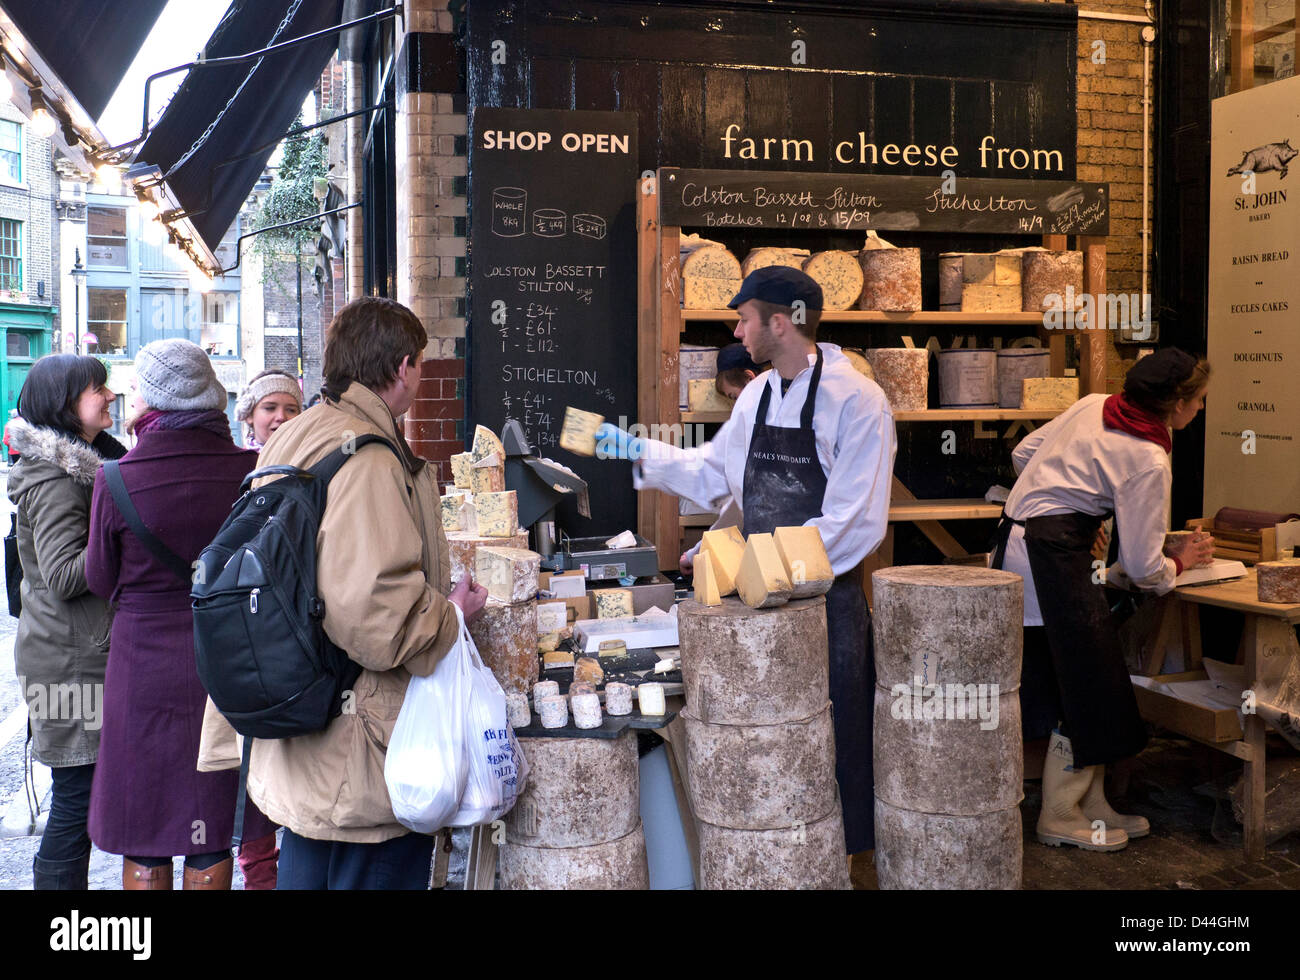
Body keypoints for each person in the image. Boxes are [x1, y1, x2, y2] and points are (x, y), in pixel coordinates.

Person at [595, 267, 896, 862]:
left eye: (743, 318)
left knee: (830, 738)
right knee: (767, 746)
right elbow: (712, 476)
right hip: (756, 609)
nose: (736, 328)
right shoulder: (758, 394)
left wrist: (755, 564)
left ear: (778, 323)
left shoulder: (858, 400)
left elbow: (852, 524)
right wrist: (632, 448)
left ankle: (837, 865)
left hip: (824, 608)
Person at [245, 296, 487, 890]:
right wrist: (450, 615)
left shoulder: (297, 433)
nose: (421, 377)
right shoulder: (369, 454)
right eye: (422, 366)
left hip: (303, 716)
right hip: (360, 745)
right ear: (403, 367)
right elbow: (376, 614)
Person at [992, 347, 1214, 851]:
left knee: (1089, 677)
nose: (1200, 410)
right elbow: (1141, 567)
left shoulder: (1096, 402)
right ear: (1175, 404)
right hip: (1050, 556)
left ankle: (1091, 804)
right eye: (1198, 401)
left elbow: (1025, 454)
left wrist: (1074, 506)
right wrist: (1178, 565)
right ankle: (1060, 813)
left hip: (1023, 542)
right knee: (1086, 683)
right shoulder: (1147, 459)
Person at [85, 339, 277, 889]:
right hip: (227, 664)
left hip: (142, 668)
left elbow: (101, 578)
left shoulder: (116, 478)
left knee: (146, 821)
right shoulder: (251, 470)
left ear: (154, 399)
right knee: (210, 818)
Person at [7, 355, 126, 889]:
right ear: (64, 404)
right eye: (96, 389)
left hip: (75, 652)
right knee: (76, 802)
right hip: (69, 664)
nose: (108, 395)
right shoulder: (58, 478)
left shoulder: (90, 463)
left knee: (82, 797)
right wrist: (125, 541)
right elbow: (61, 574)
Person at [235, 368, 302, 451]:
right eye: (270, 408)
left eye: (291, 410)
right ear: (249, 415)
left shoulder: (313, 461)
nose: (281, 417)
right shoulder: (236, 463)